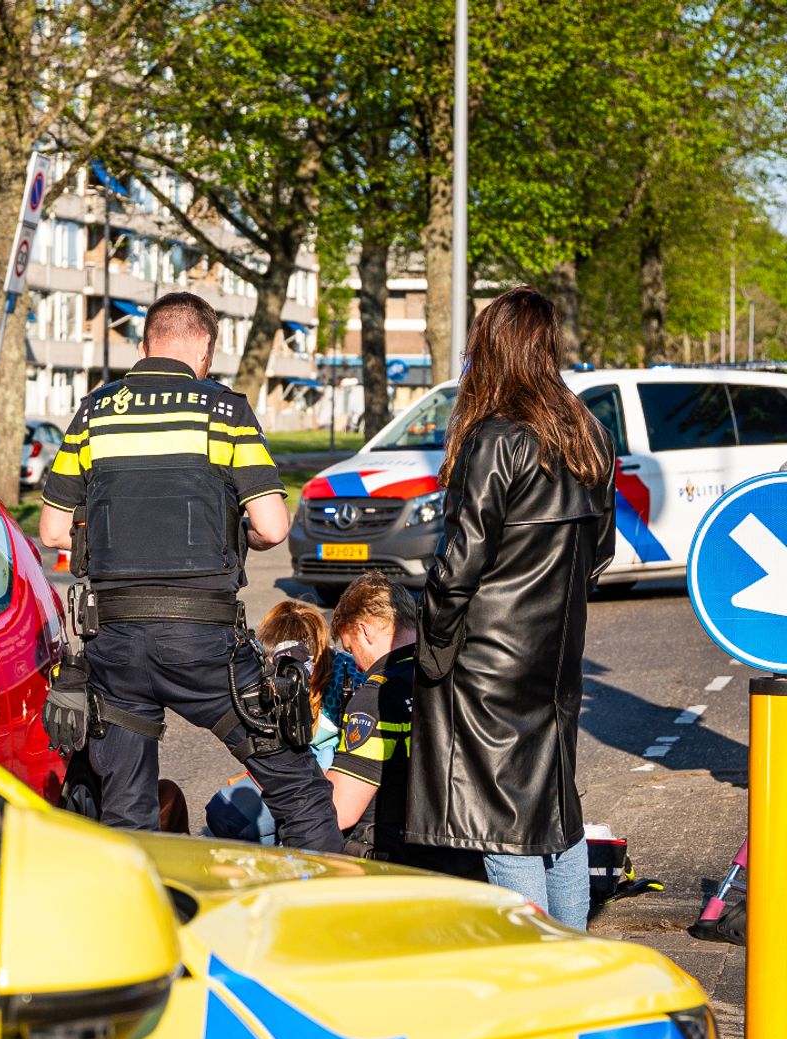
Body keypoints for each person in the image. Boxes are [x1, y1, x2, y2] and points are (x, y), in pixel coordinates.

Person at [38, 291, 344, 853]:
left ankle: (140, 929)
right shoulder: (222, 410)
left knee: (126, 814)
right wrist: (233, 529)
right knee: (298, 792)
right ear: (203, 349)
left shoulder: (94, 413)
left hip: (115, 644)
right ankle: (325, 925)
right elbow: (273, 527)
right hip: (204, 645)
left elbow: (54, 532)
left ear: (146, 343)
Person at [406, 286, 616, 929]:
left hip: (488, 664)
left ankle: (537, 964)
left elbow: (461, 561)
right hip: (554, 658)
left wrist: (432, 637)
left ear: (492, 349)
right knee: (555, 809)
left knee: (503, 823)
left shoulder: (496, 438)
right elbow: (600, 552)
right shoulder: (588, 433)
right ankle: (575, 954)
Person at [328, 572, 485, 877]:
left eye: (351, 648)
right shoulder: (460, 671)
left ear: (365, 630)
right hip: (473, 852)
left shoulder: (375, 697)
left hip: (403, 863)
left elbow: (339, 813)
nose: (358, 665)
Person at [204, 598, 363, 843]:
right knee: (224, 812)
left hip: (334, 779)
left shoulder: (346, 677)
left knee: (286, 817)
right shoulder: (265, 674)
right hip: (290, 771)